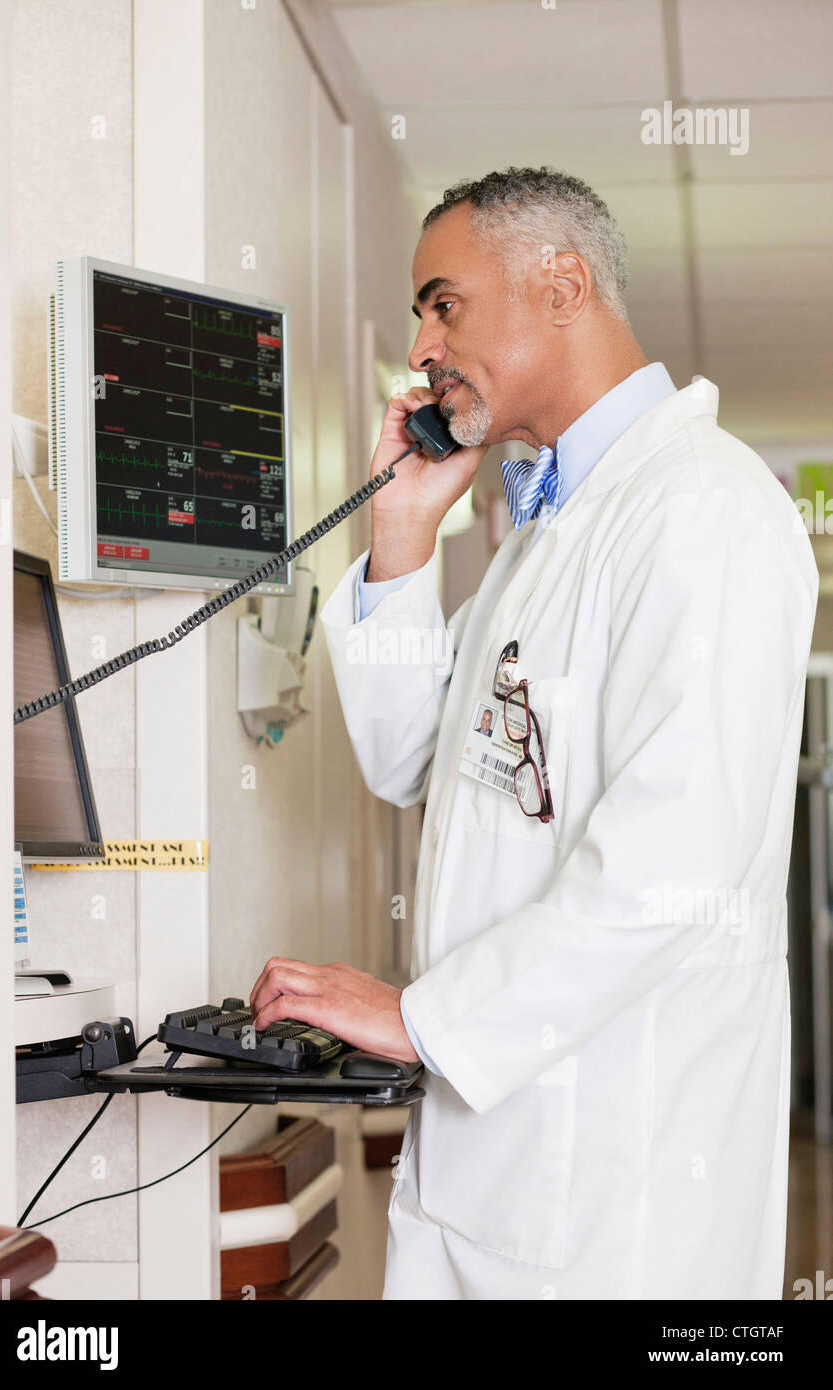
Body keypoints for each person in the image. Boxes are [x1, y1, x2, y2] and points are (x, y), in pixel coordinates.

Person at [250, 167, 818, 1300]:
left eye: (441, 302)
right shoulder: (541, 534)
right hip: (492, 1169)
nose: (421, 343)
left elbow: (673, 862)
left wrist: (420, 1015)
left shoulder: (701, 511)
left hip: (616, 1195)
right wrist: (404, 532)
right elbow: (410, 758)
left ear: (559, 284)